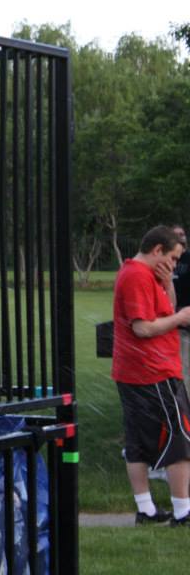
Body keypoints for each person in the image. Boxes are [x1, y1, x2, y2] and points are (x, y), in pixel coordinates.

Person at [113, 225, 190, 526]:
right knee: (179, 438)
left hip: (137, 371)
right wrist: (181, 318)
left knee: (138, 441)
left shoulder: (148, 276)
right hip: (152, 372)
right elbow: (142, 328)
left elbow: (164, 308)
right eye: (173, 258)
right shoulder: (136, 276)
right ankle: (183, 512)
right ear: (158, 250)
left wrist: (168, 282)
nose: (175, 264)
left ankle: (146, 511)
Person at [171, 225, 190, 396]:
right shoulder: (166, 260)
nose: (180, 237)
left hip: (186, 318)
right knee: (182, 367)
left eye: (182, 234)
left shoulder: (189, 258)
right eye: (176, 235)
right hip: (175, 322)